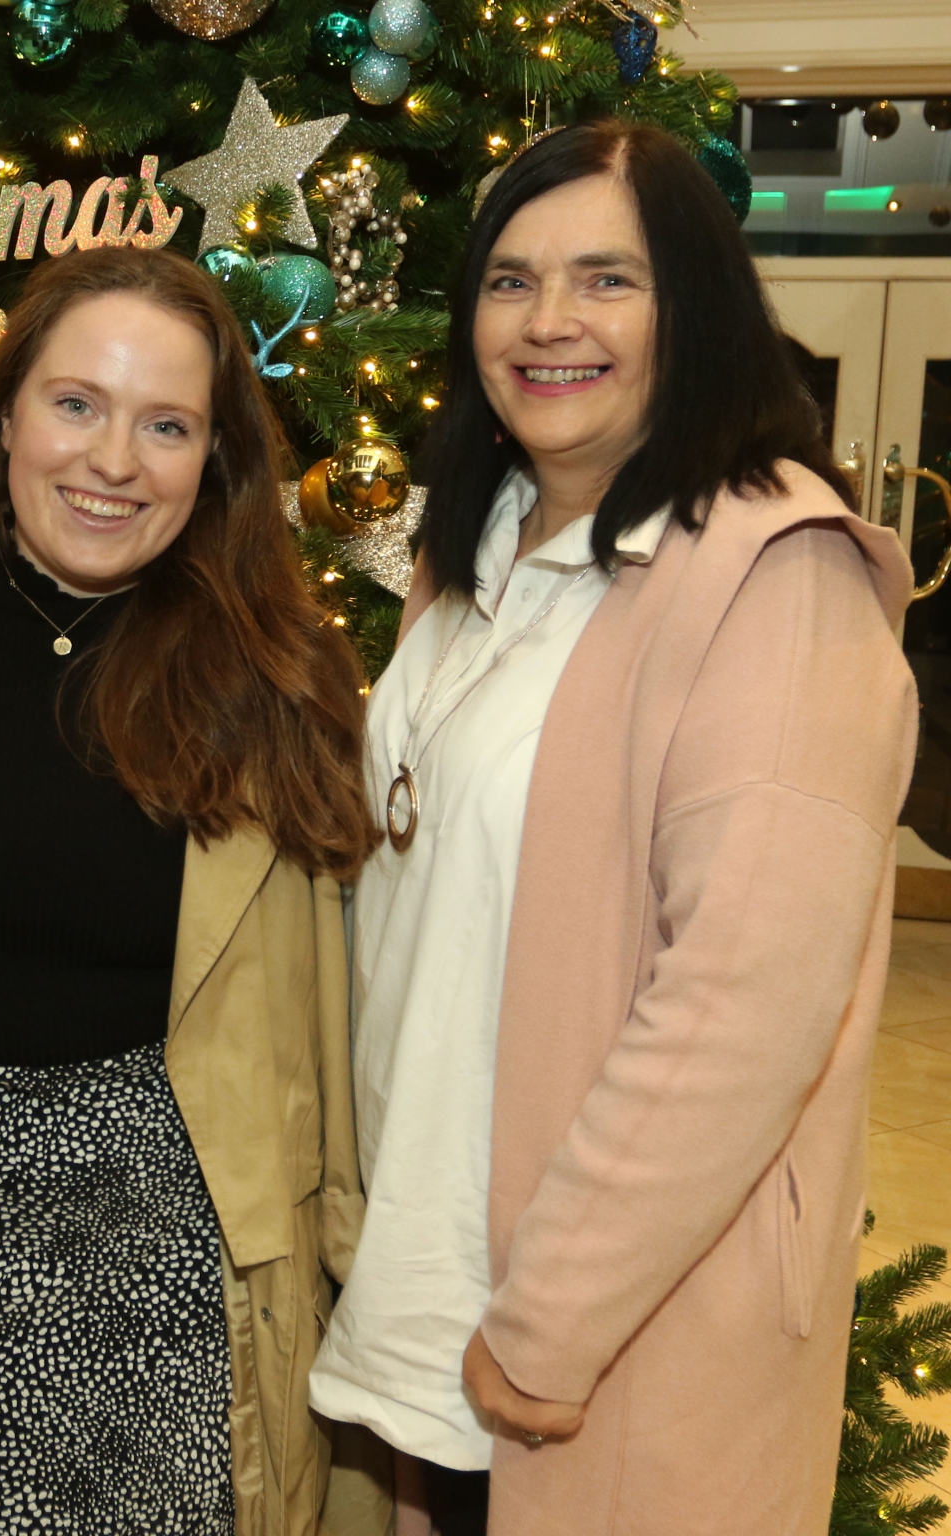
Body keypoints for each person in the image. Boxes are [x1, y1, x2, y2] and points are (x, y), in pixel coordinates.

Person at [306, 119, 916, 1536]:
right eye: (509, 282)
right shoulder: (479, 545)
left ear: (693, 307)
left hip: (598, 1332)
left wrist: (548, 1322)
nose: (550, 322)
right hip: (431, 1266)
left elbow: (739, 1009)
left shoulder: (776, 579)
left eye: (606, 280)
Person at [0, 245, 382, 1536]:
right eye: (77, 405)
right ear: (5, 415)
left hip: (187, 1299)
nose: (114, 461)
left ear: (213, 460)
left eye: (166, 425)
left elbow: (344, 1045)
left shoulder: (283, 678)